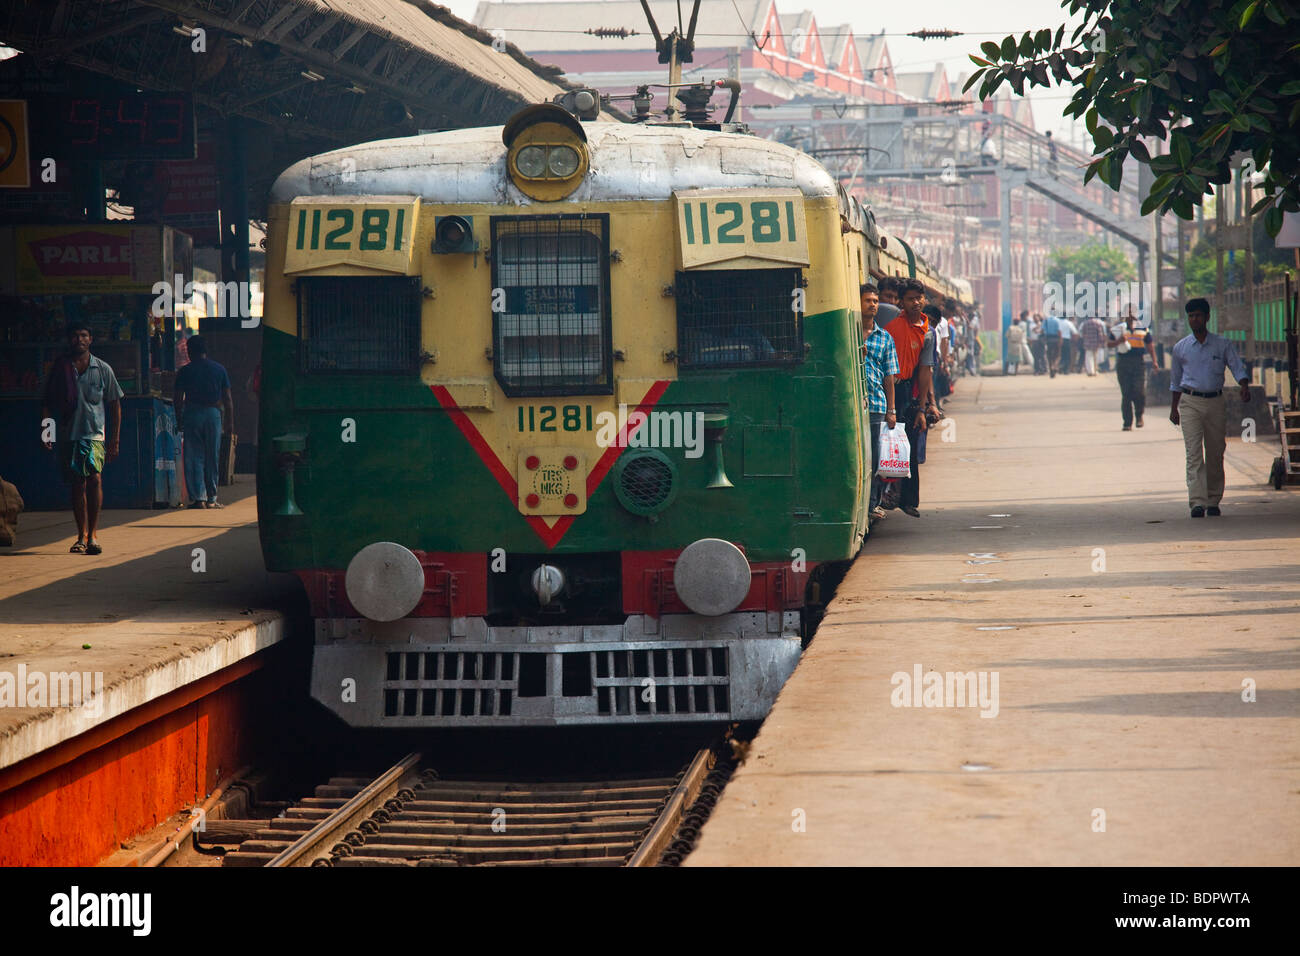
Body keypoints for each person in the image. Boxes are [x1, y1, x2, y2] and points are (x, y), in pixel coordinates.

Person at [40, 322, 123, 555]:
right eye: (75, 336)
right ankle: (81, 535)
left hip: (95, 434)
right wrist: (47, 432)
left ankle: (94, 535)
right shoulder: (60, 369)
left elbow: (115, 404)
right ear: (69, 340)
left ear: (91, 339)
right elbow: (47, 403)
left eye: (84, 335)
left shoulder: (103, 369)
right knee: (77, 483)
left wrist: (114, 439)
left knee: (95, 479)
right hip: (69, 435)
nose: (79, 340)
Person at [1168, 298, 1251, 518]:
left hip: (1215, 401)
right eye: (1191, 316)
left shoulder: (1222, 344)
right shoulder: (1181, 348)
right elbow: (1175, 382)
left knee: (1215, 452)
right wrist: (1174, 408)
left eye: (1198, 315)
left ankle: (1213, 499)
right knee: (1194, 453)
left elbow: (1236, 366)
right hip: (1190, 402)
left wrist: (1244, 384)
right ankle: (1197, 502)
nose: (1194, 319)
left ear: (1207, 317)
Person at [884, 280, 935, 517]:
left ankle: (907, 499)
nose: (916, 302)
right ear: (901, 302)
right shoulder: (892, 327)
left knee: (910, 444)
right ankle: (887, 493)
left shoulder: (928, 332)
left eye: (919, 297)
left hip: (909, 391)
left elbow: (925, 370)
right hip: (889, 388)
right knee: (887, 443)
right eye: (910, 298)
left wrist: (922, 407)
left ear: (924, 299)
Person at [173, 335, 234, 510]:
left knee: (194, 456)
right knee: (212, 456)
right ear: (206, 351)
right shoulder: (219, 369)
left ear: (190, 352)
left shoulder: (185, 371)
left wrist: (179, 419)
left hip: (192, 413)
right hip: (214, 413)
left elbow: (178, 398)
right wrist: (230, 423)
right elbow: (228, 399)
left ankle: (199, 498)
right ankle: (212, 498)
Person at [859, 283, 899, 525]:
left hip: (875, 404)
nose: (873, 305)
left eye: (875, 301)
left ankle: (872, 504)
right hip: (853, 402)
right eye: (868, 301)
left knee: (874, 457)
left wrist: (891, 410)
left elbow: (889, 377)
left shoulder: (884, 338)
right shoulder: (849, 334)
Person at [1107, 312, 1156, 430]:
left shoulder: (1143, 328)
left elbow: (1150, 345)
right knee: (1126, 394)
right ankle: (1127, 423)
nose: (1130, 315)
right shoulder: (1118, 329)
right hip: (1123, 363)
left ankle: (1139, 415)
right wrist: (1118, 341)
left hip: (1138, 363)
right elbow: (1109, 344)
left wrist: (1155, 361)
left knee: (1139, 391)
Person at [1041, 312, 1062, 377]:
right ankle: (1054, 366)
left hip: (1048, 339)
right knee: (1057, 355)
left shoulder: (1046, 320)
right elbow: (1059, 331)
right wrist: (1060, 340)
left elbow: (1042, 330)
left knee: (1049, 355)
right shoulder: (1057, 320)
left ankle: (1051, 369)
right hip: (1056, 339)